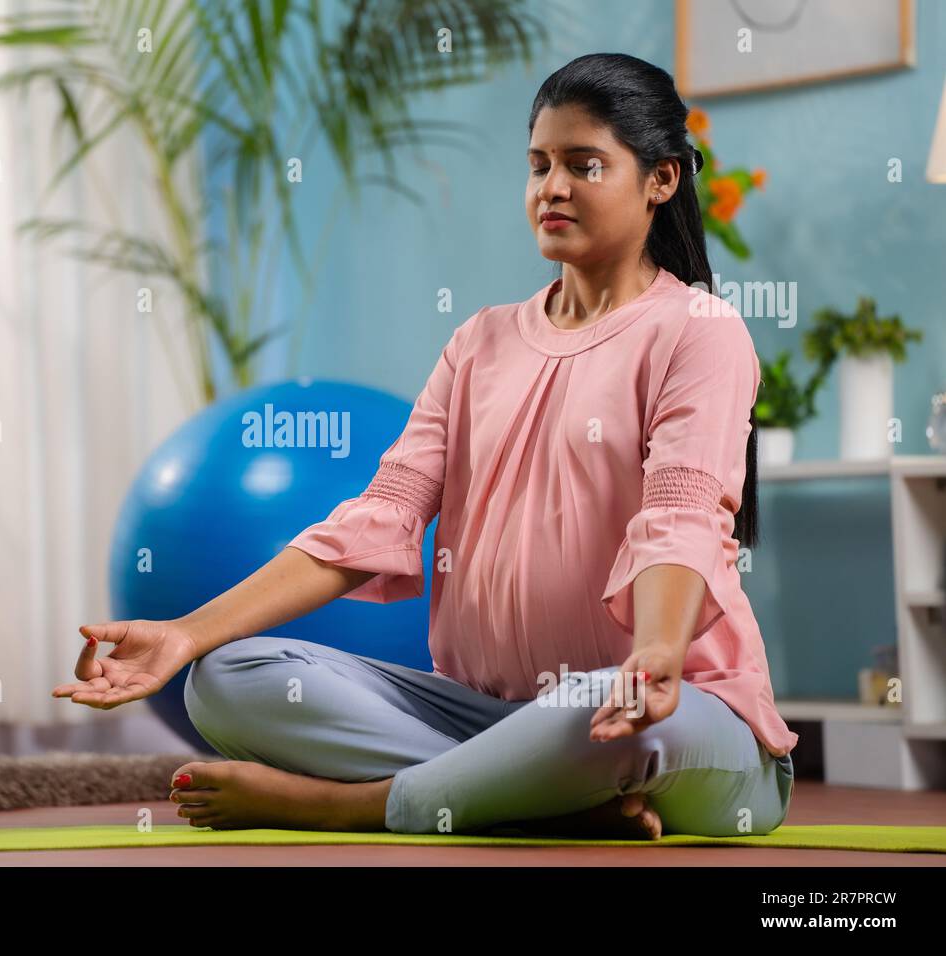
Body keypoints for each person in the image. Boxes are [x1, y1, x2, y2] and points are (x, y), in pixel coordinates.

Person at [51, 52, 797, 839]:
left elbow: (678, 516)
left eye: (585, 165)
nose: (553, 188)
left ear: (662, 179)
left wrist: (654, 654)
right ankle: (533, 801)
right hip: (483, 719)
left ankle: (363, 806)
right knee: (225, 681)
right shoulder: (479, 342)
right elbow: (374, 521)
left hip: (669, 711)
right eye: (539, 165)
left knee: (615, 720)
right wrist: (186, 633)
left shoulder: (697, 331)